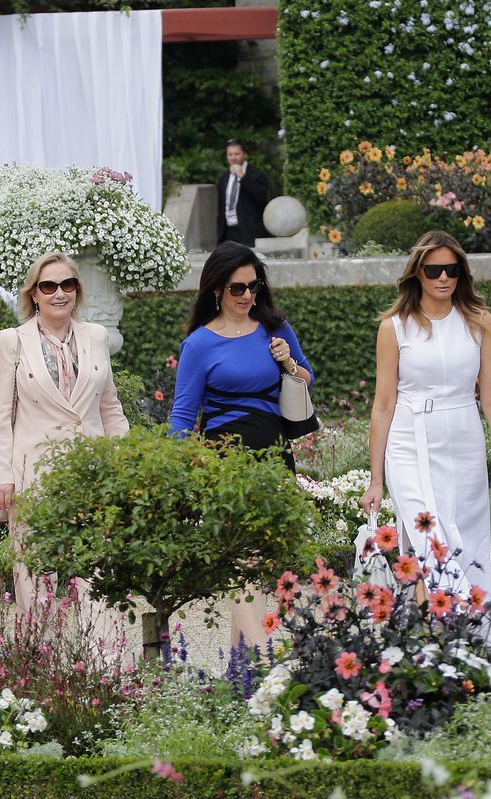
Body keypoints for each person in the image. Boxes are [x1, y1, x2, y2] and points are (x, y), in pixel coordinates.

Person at [360, 231, 491, 599]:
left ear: (461, 273)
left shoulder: (479, 321)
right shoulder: (394, 326)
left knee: (466, 539)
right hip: (409, 441)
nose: (443, 278)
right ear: (417, 273)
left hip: (463, 438)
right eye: (433, 271)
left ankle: (458, 631)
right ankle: (444, 625)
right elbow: (383, 404)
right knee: (425, 536)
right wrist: (375, 480)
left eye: (451, 269)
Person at [168, 241, 313, 646]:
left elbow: (307, 381)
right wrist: (177, 469)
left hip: (273, 453)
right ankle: (266, 659)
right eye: (237, 288)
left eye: (254, 286)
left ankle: (240, 671)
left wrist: (288, 362)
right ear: (217, 288)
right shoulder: (199, 343)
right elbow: (183, 414)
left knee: (261, 563)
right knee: (241, 562)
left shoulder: (275, 328)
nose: (247, 295)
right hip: (224, 459)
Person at [0, 252, 129, 638]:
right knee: (35, 575)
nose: (59, 293)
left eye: (68, 284)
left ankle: (105, 661)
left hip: (93, 471)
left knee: (99, 568)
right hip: (35, 472)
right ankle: (41, 664)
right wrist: (2, 476)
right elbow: (1, 414)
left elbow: (110, 408)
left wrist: (125, 464)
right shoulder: (11, 341)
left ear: (78, 291)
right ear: (34, 294)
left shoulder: (96, 336)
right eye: (48, 286)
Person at [216, 139, 270, 247]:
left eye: (237, 154)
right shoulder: (224, 177)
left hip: (249, 232)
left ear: (244, 155)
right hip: (228, 232)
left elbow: (262, 197)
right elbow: (221, 206)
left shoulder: (256, 175)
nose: (233, 157)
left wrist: (243, 178)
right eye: (230, 154)